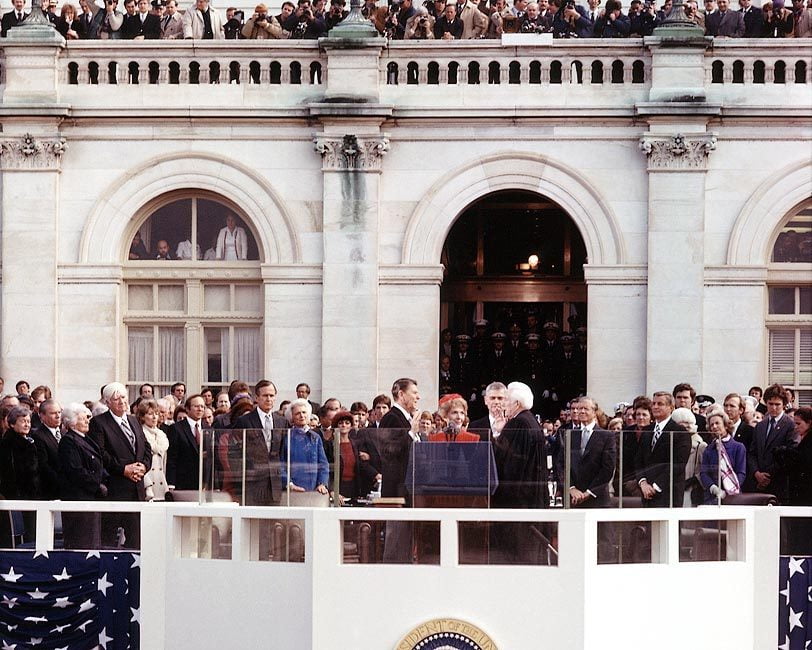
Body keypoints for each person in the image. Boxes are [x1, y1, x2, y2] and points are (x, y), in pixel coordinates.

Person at [88, 382, 151, 548]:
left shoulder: (134, 420)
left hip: (137, 489)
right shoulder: (99, 423)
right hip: (115, 490)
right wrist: (123, 470)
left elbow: (146, 447)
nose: (122, 401)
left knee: (137, 541)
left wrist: (143, 467)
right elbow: (101, 453)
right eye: (116, 399)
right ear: (108, 402)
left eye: (123, 397)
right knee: (108, 540)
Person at [59, 403, 107, 549]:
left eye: (87, 418)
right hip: (79, 499)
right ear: (72, 423)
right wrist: (97, 485)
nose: (87, 421)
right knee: (81, 544)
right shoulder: (69, 441)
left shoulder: (86, 439)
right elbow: (76, 471)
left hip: (91, 499)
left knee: (92, 542)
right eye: (82, 419)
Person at [492, 382, 545, 509]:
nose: (503, 404)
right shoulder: (531, 420)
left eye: (506, 400)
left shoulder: (518, 423)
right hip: (531, 494)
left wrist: (497, 434)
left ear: (517, 403)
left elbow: (508, 460)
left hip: (518, 498)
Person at [635, 391, 692, 508]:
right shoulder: (646, 431)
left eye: (660, 404)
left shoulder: (680, 432)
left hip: (669, 493)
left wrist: (655, 487)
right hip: (646, 493)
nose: (655, 407)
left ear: (671, 407)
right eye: (654, 403)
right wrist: (643, 483)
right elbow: (638, 460)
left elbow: (678, 464)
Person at [559, 396, 616, 508]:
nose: (582, 411)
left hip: (597, 499)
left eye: (586, 408)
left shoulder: (606, 436)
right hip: (573, 499)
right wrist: (571, 488)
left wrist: (589, 492)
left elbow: (608, 468)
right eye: (580, 408)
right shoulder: (569, 435)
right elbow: (561, 464)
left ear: (594, 412)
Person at [747, 383, 794, 499]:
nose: (773, 408)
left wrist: (767, 476)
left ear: (784, 405)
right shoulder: (760, 426)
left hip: (778, 483)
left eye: (777, 404)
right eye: (770, 404)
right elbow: (752, 453)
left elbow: (789, 454)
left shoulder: (790, 425)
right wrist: (756, 473)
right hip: (758, 482)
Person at [280, 399, 329, 494]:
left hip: (314, 490)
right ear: (291, 417)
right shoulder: (287, 436)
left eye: (304, 412)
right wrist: (289, 484)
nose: (302, 416)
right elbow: (281, 464)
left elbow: (323, 464)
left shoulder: (315, 437)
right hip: (292, 491)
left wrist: (322, 483)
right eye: (297, 413)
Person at [699, 411, 746, 504]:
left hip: (733, 496)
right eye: (711, 425)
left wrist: (731, 489)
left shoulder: (738, 447)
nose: (714, 426)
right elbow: (704, 473)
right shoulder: (709, 449)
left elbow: (741, 473)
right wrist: (713, 488)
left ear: (725, 425)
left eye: (717, 423)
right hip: (712, 497)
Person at [167, 393, 207, 491]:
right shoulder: (176, 429)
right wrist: (171, 483)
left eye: (202, 406)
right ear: (188, 409)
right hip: (183, 483)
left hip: (204, 484)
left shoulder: (209, 429)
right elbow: (172, 458)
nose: (200, 409)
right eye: (196, 406)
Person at [671, 407, 707, 507]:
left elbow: (704, 471)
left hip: (690, 491)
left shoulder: (701, 445)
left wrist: (690, 481)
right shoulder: (671, 444)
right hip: (672, 489)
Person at [30, 399, 63, 500]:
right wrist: (62, 482)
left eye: (59, 412)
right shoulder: (38, 436)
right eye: (53, 413)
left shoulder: (65, 434)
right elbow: (43, 465)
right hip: (50, 491)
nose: (58, 416)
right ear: (42, 416)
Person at [137, 399, 169, 501]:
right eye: (150, 414)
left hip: (161, 482)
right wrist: (147, 485)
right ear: (142, 417)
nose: (154, 417)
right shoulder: (140, 434)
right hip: (148, 484)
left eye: (156, 413)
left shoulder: (161, 435)